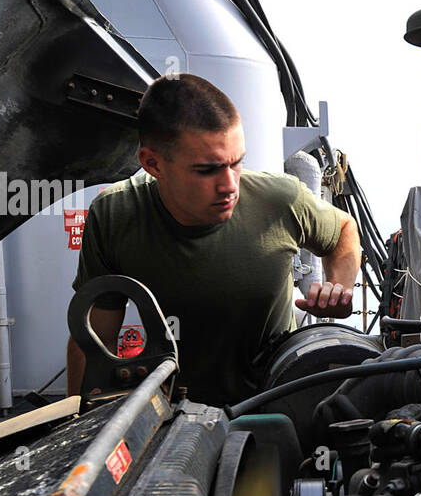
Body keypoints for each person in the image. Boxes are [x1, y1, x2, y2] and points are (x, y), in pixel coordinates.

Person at [67, 74, 361, 406]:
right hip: (175, 421)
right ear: (152, 164)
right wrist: (76, 427)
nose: (229, 186)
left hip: (276, 409)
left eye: (237, 163)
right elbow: (93, 339)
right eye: (207, 170)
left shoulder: (281, 200)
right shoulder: (113, 216)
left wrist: (341, 286)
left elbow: (343, 231)